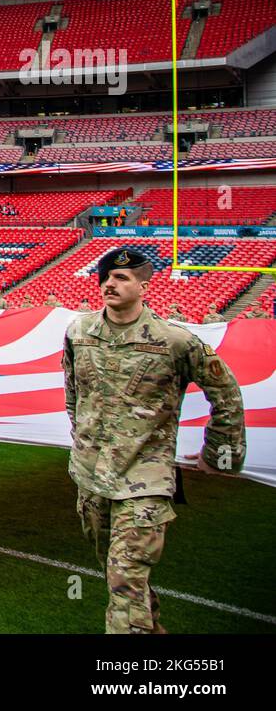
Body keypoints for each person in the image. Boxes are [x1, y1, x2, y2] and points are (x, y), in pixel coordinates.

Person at [62, 247, 246, 633]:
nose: (110, 283)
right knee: (117, 573)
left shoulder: (174, 340)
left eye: (122, 278)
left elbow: (225, 390)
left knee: (125, 576)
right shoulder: (79, 332)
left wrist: (220, 455)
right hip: (91, 476)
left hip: (145, 480)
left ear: (144, 286)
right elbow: (73, 394)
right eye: (107, 277)